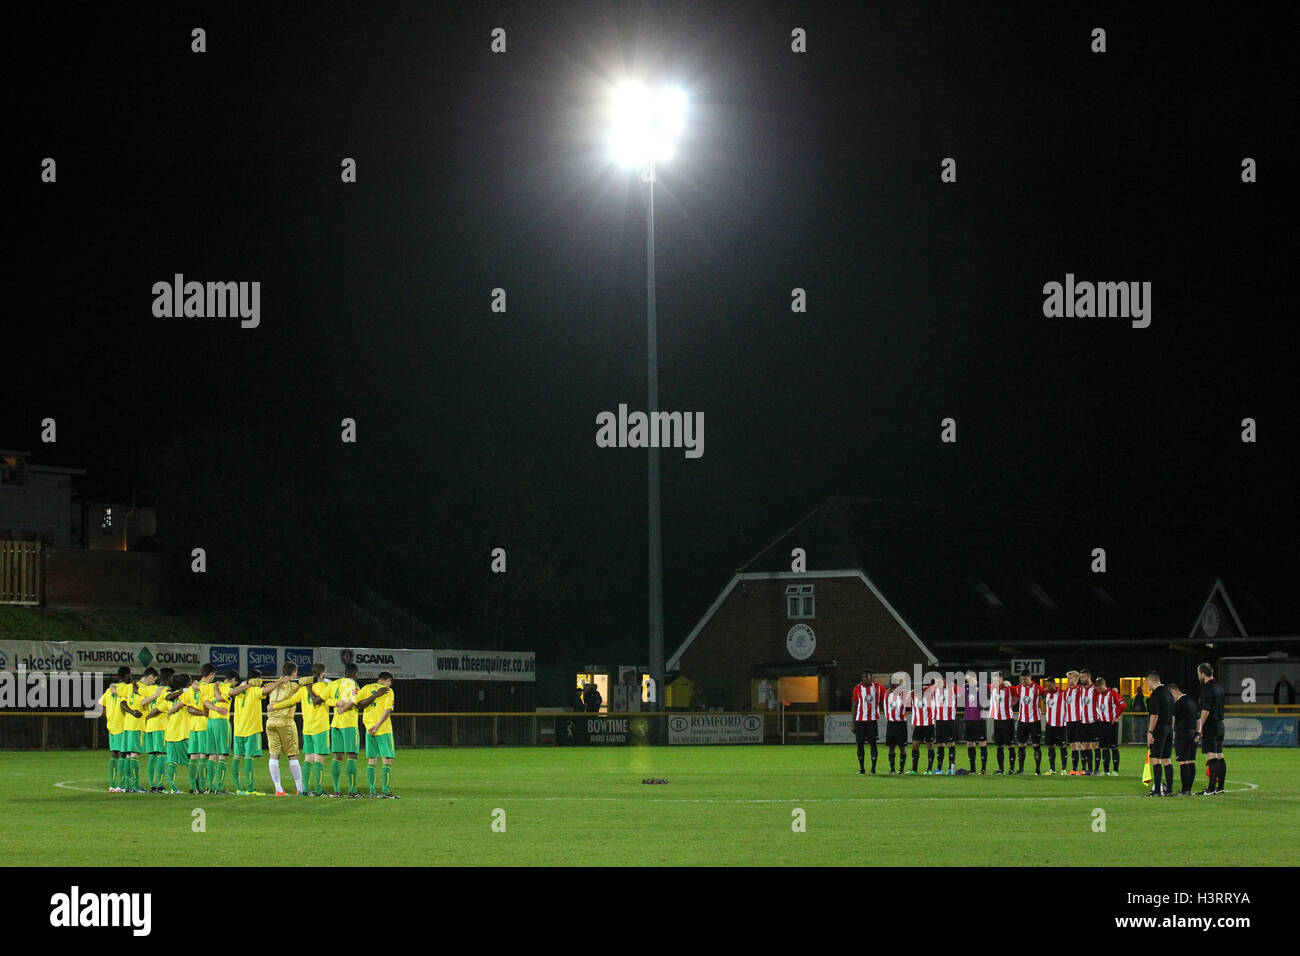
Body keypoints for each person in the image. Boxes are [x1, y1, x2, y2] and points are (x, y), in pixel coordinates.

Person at [228, 668, 288, 795]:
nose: (261, 681)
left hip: (238, 729)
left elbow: (231, 693)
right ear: (255, 679)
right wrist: (279, 682)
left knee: (237, 757)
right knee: (249, 758)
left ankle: (238, 788)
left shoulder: (240, 689)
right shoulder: (254, 690)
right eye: (259, 678)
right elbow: (265, 690)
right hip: (251, 729)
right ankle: (249, 789)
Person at [264, 662, 307, 796]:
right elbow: (307, 682)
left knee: (274, 754)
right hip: (285, 722)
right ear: (294, 673)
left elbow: (264, 691)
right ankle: (300, 789)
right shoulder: (294, 685)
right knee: (292, 755)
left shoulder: (272, 684)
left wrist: (278, 682)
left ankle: (278, 789)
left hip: (270, 722)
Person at [358, 671, 398, 798]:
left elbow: (358, 704)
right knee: (387, 759)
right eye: (390, 682)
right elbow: (387, 711)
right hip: (383, 729)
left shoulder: (366, 688)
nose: (390, 684)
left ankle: (372, 790)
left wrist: (371, 726)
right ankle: (386, 791)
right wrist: (377, 726)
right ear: (387, 679)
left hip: (369, 729)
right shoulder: (388, 690)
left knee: (372, 759)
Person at [327, 663, 363, 797]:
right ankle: (352, 791)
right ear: (356, 674)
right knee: (352, 755)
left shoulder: (334, 684)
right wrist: (343, 708)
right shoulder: (353, 684)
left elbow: (324, 700)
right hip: (348, 723)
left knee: (337, 756)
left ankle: (336, 790)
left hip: (335, 723)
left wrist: (336, 704)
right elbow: (354, 700)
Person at [1196, 662, 1227, 795]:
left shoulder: (1207, 689)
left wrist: (1200, 727)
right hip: (1220, 724)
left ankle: (1210, 789)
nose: (1198, 676)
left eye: (1198, 673)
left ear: (1203, 673)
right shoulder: (1219, 687)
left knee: (1211, 755)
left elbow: (1206, 710)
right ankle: (1220, 787)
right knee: (1220, 755)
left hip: (1211, 725)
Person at [1143, 671, 1175, 797]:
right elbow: (1173, 715)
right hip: (1168, 728)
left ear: (1151, 680)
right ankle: (1169, 790)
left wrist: (1150, 732)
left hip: (1159, 728)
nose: (1147, 685)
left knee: (1155, 758)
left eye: (1147, 682)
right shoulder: (1168, 692)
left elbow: (1154, 715)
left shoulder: (1156, 694)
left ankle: (1157, 791)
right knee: (1167, 758)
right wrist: (1170, 729)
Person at [850, 670, 886, 774]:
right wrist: (853, 724)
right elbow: (854, 705)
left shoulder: (878, 687)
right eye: (863, 677)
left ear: (871, 677)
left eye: (867, 676)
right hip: (860, 721)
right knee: (860, 744)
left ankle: (873, 769)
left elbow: (887, 696)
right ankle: (862, 769)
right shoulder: (857, 688)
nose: (865, 678)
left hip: (872, 721)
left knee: (873, 744)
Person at [1170, 683, 1198, 796]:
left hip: (1182, 734)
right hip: (1192, 733)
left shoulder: (1178, 704)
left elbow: (1172, 720)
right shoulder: (1191, 702)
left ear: (1173, 692)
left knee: (1183, 762)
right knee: (1191, 761)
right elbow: (1199, 719)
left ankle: (1184, 789)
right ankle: (1188, 789)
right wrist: (1198, 733)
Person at [1094, 677, 1126, 775]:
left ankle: (1115, 770)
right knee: (1104, 747)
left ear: (1104, 685)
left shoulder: (1112, 694)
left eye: (1099, 688)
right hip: (1101, 723)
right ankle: (1106, 770)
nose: (1098, 690)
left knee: (1114, 747)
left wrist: (1117, 716)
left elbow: (1123, 705)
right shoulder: (1098, 695)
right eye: (1097, 689)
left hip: (1111, 724)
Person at [1013, 674, 1043, 775]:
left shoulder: (1038, 688)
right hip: (1022, 721)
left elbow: (1047, 696)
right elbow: (1012, 695)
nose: (1024, 681)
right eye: (1022, 680)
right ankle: (1021, 770)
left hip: (1035, 721)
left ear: (1030, 678)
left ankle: (1037, 770)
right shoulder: (1018, 688)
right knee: (1021, 745)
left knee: (1036, 745)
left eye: (1026, 679)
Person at [988, 672, 1016, 774]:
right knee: (999, 746)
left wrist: (1012, 704)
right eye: (994, 680)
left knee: (1010, 745)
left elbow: (1017, 694)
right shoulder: (992, 687)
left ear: (1002, 679)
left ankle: (1011, 769)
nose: (995, 681)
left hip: (1008, 720)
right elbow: (980, 685)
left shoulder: (1009, 688)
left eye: (997, 679)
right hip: (997, 721)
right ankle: (1001, 769)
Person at [930, 675, 958, 774]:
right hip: (939, 720)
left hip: (949, 720)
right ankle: (939, 768)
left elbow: (964, 690)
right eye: (936, 682)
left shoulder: (952, 688)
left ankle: (951, 768)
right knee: (940, 744)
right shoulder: (933, 689)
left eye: (940, 682)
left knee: (951, 743)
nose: (938, 684)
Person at [962, 671, 987, 774]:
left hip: (980, 719)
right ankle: (972, 769)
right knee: (970, 743)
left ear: (974, 678)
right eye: (967, 679)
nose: (968, 681)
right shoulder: (964, 688)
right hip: (969, 719)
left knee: (982, 743)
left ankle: (983, 769)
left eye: (969, 679)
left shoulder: (982, 688)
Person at [908, 680, 935, 774]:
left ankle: (929, 770)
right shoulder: (913, 695)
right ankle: (914, 769)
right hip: (918, 725)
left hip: (929, 724)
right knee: (915, 746)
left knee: (930, 745)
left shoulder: (931, 694)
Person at [883, 678, 910, 774]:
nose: (894, 685)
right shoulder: (887, 693)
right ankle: (892, 769)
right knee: (891, 747)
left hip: (901, 723)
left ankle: (901, 769)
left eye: (896, 683)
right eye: (892, 683)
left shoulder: (903, 693)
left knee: (902, 747)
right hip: (891, 723)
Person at [1043, 677, 1069, 774]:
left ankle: (1063, 769)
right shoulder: (1046, 693)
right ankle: (1052, 769)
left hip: (1061, 724)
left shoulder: (1063, 693)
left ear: (1054, 684)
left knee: (1062, 746)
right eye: (1047, 686)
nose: (1048, 687)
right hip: (1050, 724)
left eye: (1050, 685)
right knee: (1051, 746)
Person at [1076, 669, 1100, 775]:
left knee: (1095, 745)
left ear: (1089, 677)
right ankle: (1087, 769)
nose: (1081, 679)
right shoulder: (1080, 690)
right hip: (1083, 721)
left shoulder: (1095, 689)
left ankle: (1097, 769)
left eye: (1083, 677)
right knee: (1085, 745)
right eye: (1080, 677)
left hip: (1094, 721)